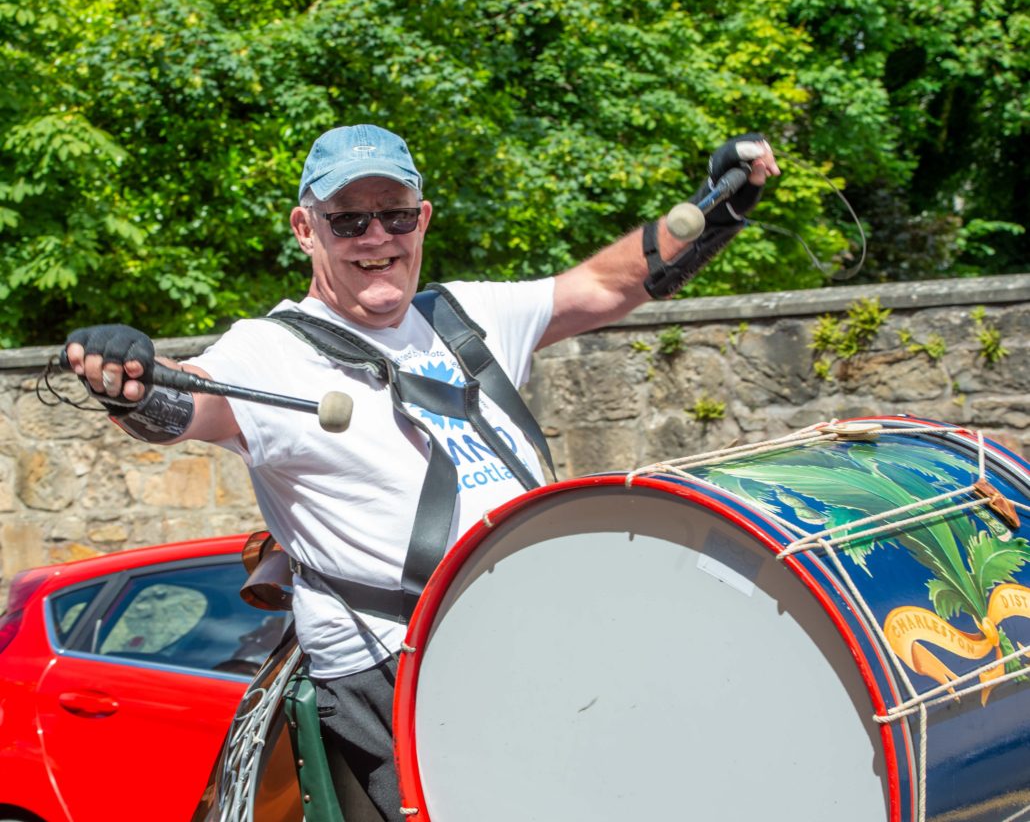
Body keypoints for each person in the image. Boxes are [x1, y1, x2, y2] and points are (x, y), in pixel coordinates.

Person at [63, 124, 779, 820]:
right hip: (394, 668)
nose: (377, 237)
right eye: (348, 220)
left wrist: (719, 207)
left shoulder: (466, 314)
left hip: (539, 637)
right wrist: (129, 379)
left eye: (396, 214)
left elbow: (608, 285)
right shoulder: (269, 353)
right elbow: (189, 403)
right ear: (306, 229)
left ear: (423, 219)